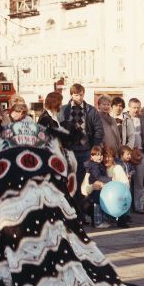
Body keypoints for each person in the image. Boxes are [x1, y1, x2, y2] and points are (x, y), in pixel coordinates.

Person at [58, 83, 104, 211]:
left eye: (81, 94)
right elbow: (59, 129)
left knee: (84, 182)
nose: (79, 97)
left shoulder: (90, 110)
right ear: (72, 95)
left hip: (85, 150)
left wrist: (93, 148)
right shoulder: (63, 110)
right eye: (76, 95)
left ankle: (82, 212)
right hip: (69, 151)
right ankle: (70, 210)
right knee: (70, 181)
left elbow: (99, 130)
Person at [122, 98, 144, 213]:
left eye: (138, 107)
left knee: (139, 182)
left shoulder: (143, 119)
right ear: (129, 107)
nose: (136, 110)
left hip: (141, 153)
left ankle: (138, 206)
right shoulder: (124, 118)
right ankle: (126, 207)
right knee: (126, 181)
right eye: (134, 107)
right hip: (127, 153)